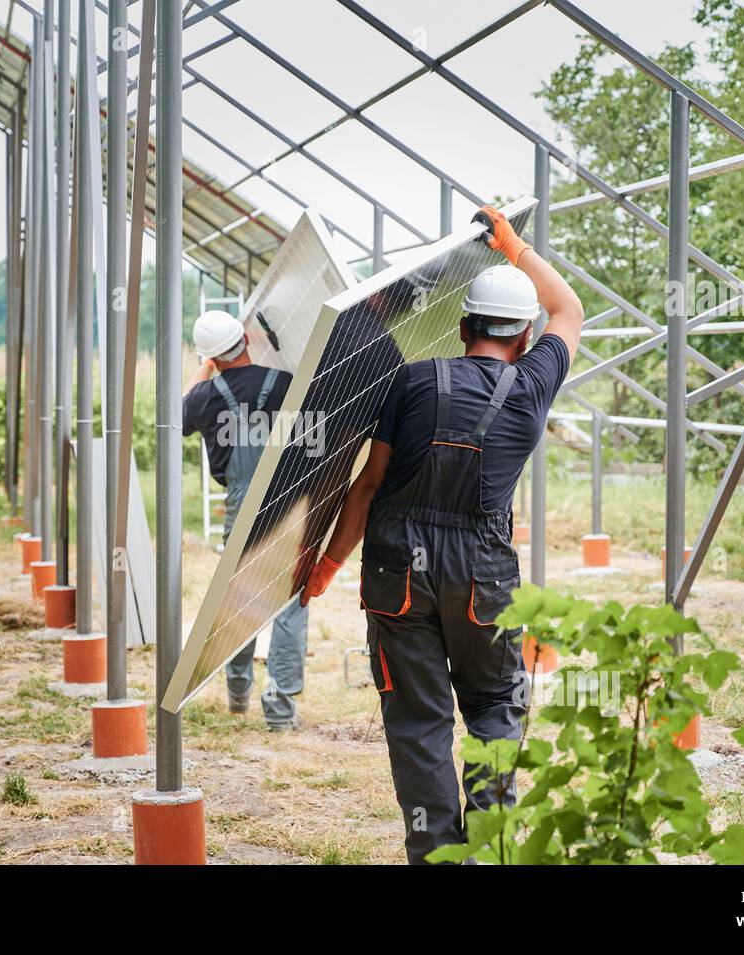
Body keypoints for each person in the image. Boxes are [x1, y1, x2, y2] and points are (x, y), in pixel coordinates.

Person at [299, 206, 583, 863]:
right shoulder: (532, 386)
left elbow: (366, 486)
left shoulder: (410, 379)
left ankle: (435, 855)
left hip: (398, 569)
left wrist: (328, 563)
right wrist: (512, 246)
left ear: (460, 329)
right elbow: (569, 309)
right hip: (482, 574)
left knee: (418, 721)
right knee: (494, 707)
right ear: (525, 336)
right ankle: (487, 848)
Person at [182, 310, 309, 731]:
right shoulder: (287, 386)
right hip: (288, 509)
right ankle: (281, 713)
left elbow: (177, 412)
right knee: (289, 607)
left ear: (211, 359)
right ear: (248, 341)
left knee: (239, 604)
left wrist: (205, 367)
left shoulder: (203, 398)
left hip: (240, 512)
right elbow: (313, 444)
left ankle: (238, 695)